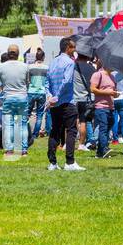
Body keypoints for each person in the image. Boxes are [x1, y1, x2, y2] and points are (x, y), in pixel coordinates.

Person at [45, 38, 84, 171]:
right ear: (68, 47)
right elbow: (67, 82)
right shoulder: (69, 62)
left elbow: (47, 83)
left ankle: (52, 162)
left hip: (55, 104)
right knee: (71, 130)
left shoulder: (52, 62)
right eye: (73, 47)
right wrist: (56, 97)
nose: (75, 50)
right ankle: (70, 162)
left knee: (55, 131)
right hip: (66, 101)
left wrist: (50, 96)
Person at [0, 45, 30, 160]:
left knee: (8, 124)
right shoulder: (25, 66)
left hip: (8, 97)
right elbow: (27, 82)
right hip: (22, 97)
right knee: (23, 124)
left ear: (8, 53)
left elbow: (1, 82)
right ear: (18, 54)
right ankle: (24, 150)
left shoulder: (1, 67)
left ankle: (9, 150)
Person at [90, 58, 118, 159]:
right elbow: (93, 89)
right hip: (100, 106)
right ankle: (105, 148)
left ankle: (100, 152)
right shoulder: (98, 74)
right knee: (103, 128)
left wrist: (115, 94)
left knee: (107, 128)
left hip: (111, 106)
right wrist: (108, 92)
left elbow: (113, 90)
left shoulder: (112, 77)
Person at [25, 51, 49, 148]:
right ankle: (35, 134)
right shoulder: (47, 68)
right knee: (40, 114)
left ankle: (26, 132)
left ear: (36, 57)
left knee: (27, 113)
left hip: (31, 91)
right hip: (42, 92)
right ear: (43, 57)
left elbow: (27, 80)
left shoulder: (30, 67)